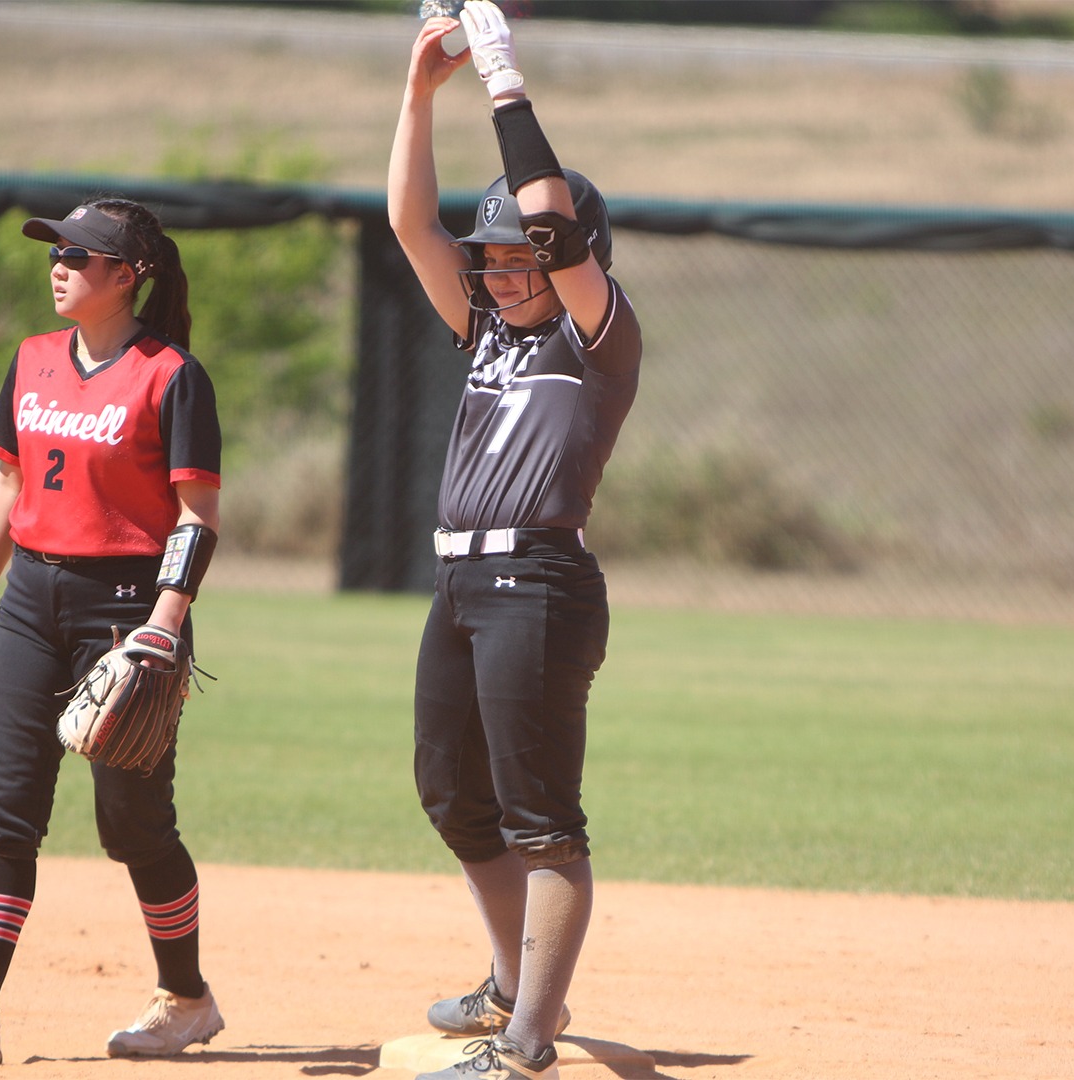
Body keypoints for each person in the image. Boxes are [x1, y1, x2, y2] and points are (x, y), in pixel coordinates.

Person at [0, 197, 226, 1068]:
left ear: (127, 276)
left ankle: (186, 998)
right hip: (30, 607)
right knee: (4, 816)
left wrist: (164, 623)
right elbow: (8, 487)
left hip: (127, 614)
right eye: (57, 252)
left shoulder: (170, 374)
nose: (59, 267)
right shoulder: (33, 360)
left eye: (79, 257)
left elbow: (198, 515)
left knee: (133, 824)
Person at [388, 4, 643, 1079]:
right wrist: (417, 94)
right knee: (452, 790)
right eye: (486, 257)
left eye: (513, 257)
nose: (495, 270)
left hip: (539, 579)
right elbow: (409, 225)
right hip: (461, 581)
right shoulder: (488, 327)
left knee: (543, 819)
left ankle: (530, 1041)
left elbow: (552, 226)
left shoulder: (599, 334)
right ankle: (506, 983)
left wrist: (501, 75)